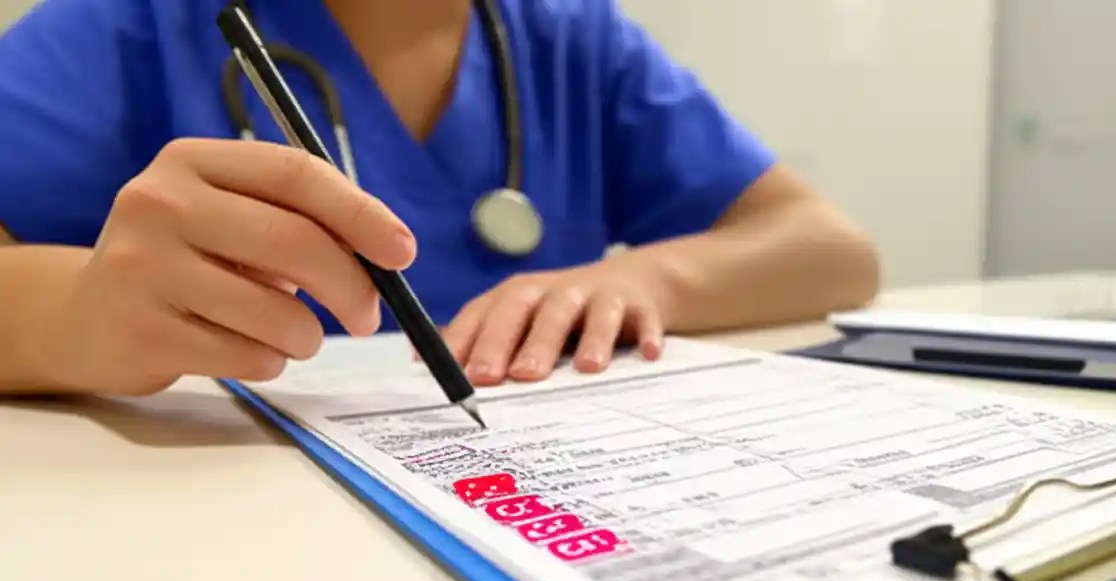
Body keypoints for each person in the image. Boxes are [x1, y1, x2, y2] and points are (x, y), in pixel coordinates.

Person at [0, 0, 879, 398]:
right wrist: (70, 315)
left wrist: (654, 281)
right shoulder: (122, 29)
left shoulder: (573, 38)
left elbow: (832, 251)